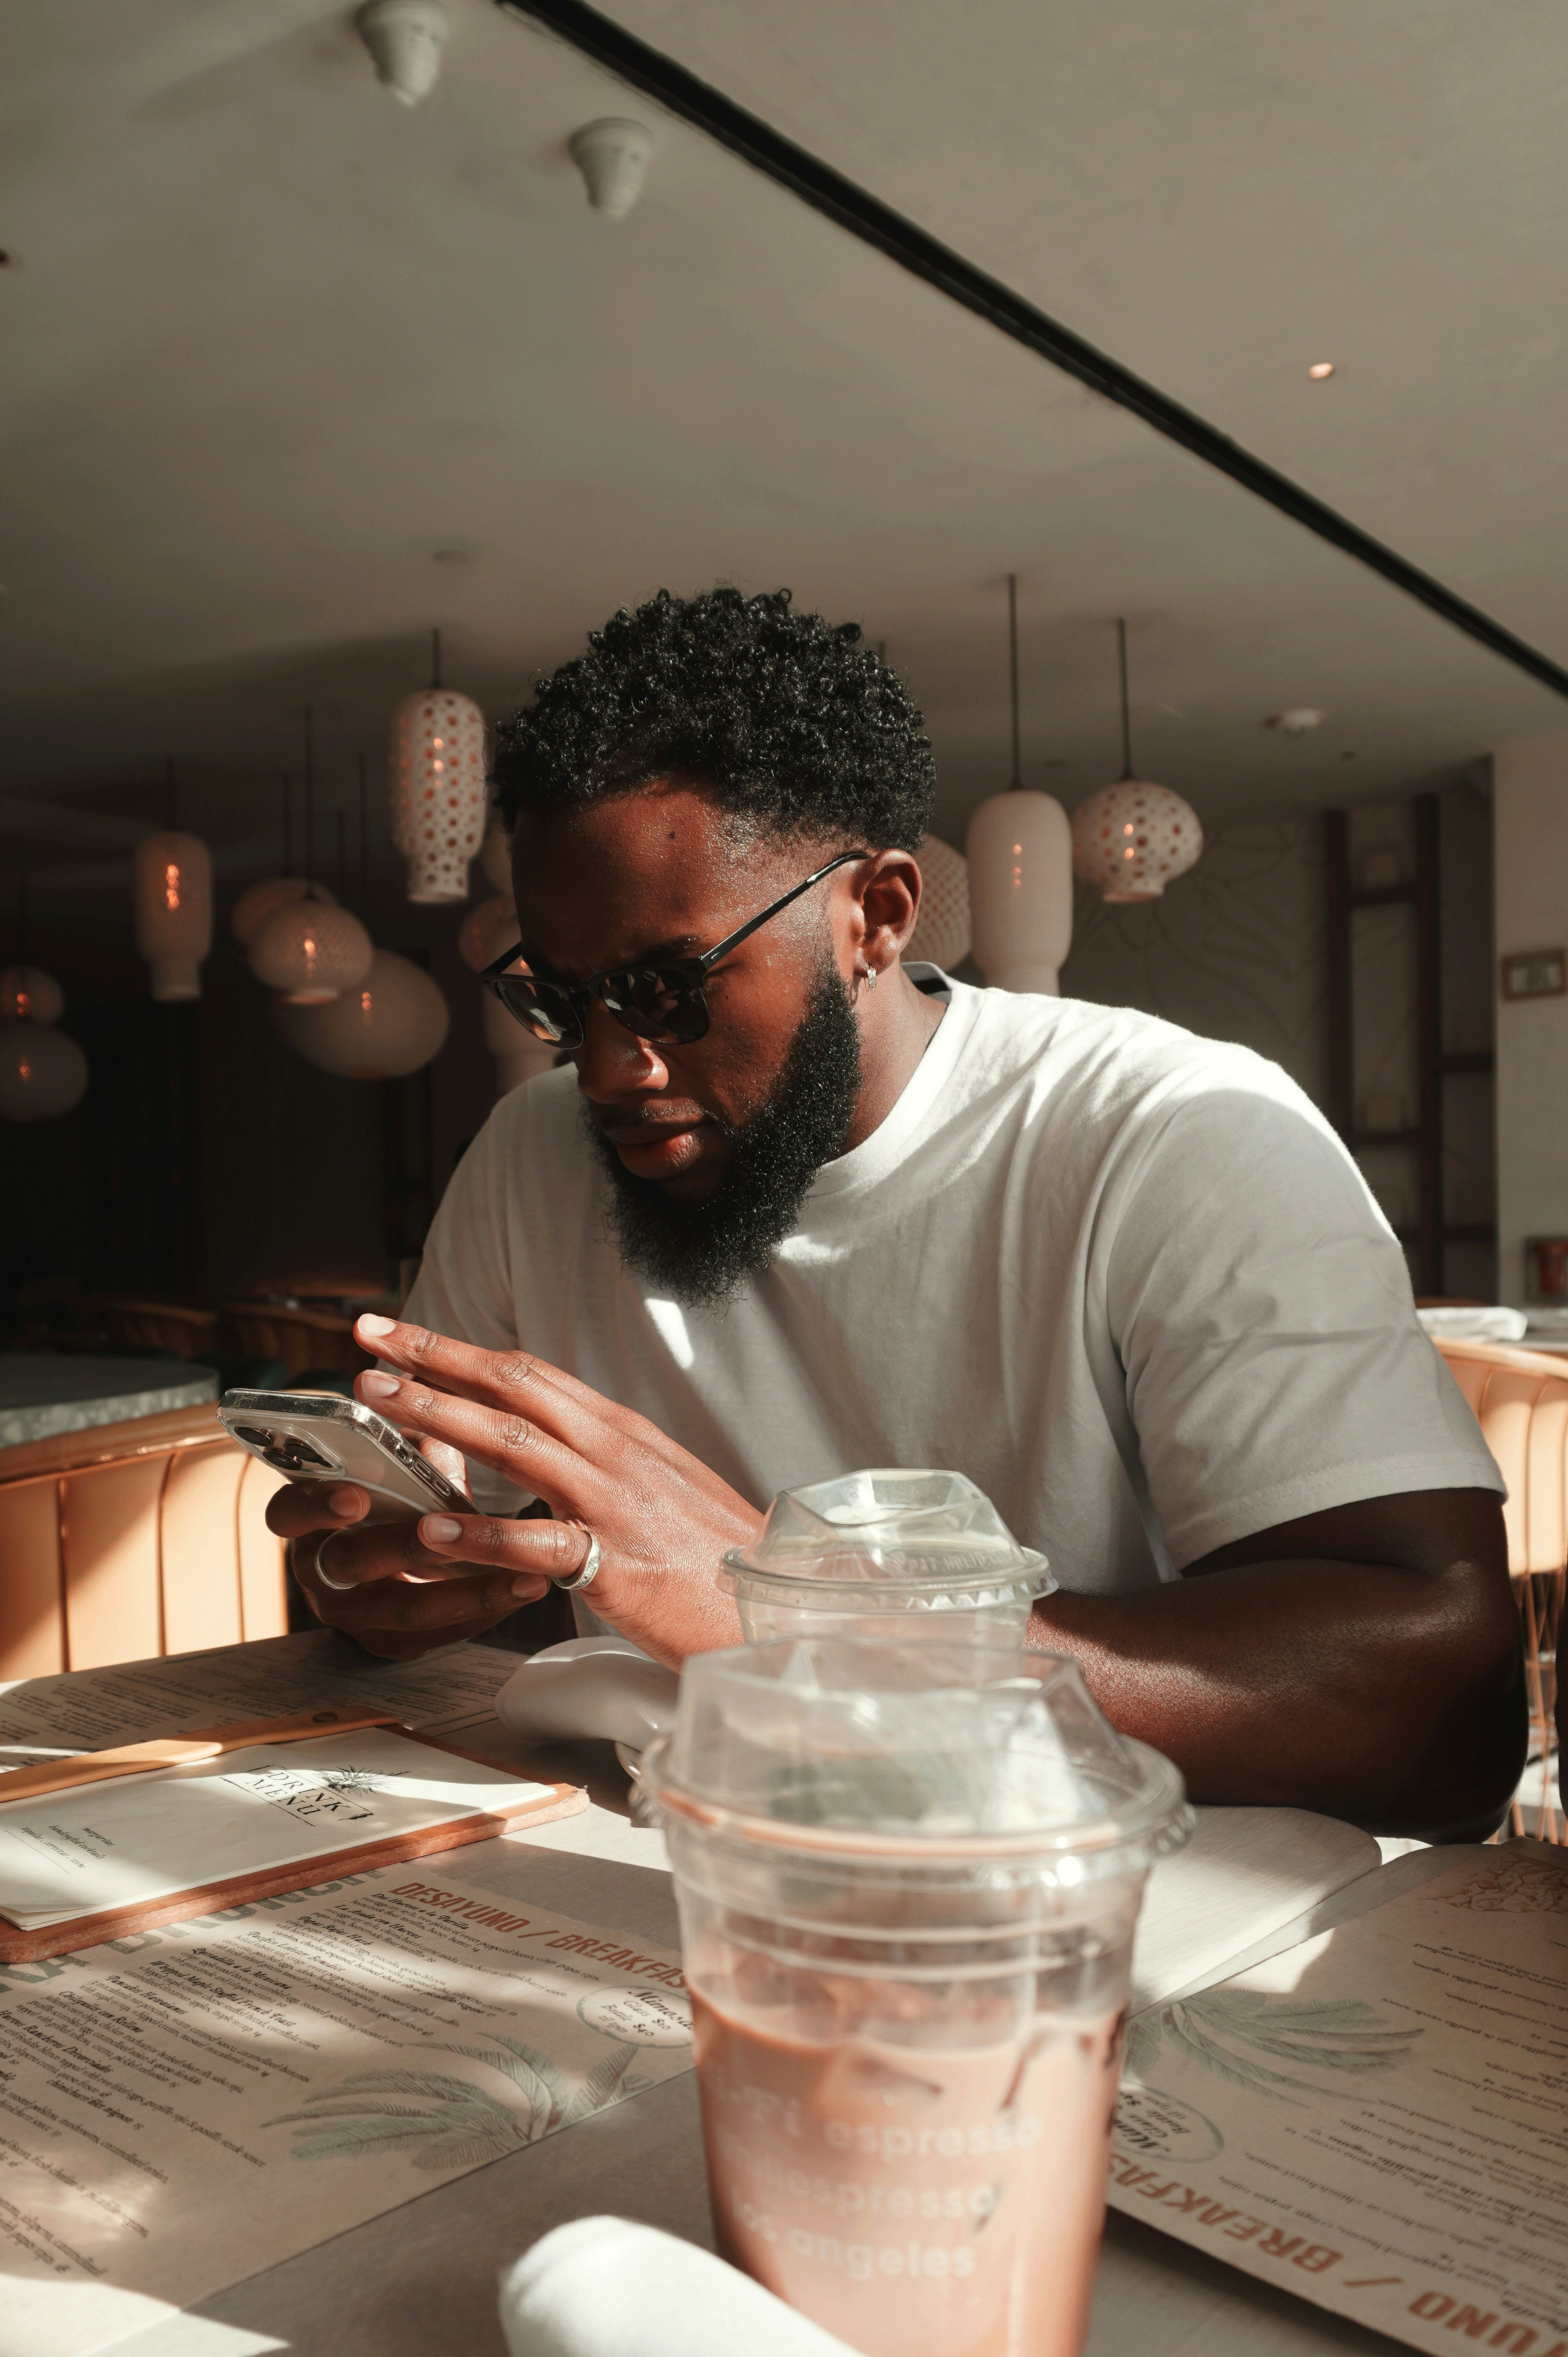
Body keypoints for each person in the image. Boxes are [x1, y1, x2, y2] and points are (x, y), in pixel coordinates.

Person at [270, 587, 1523, 1838]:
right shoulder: (526, 1155)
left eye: (663, 986)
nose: (605, 1069)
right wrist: (411, 1576)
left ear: (872, 914)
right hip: (686, 1869)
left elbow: (1444, 1712)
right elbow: (565, 1604)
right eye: (561, 997)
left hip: (1087, 1915)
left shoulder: (1172, 1133)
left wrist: (800, 1616)